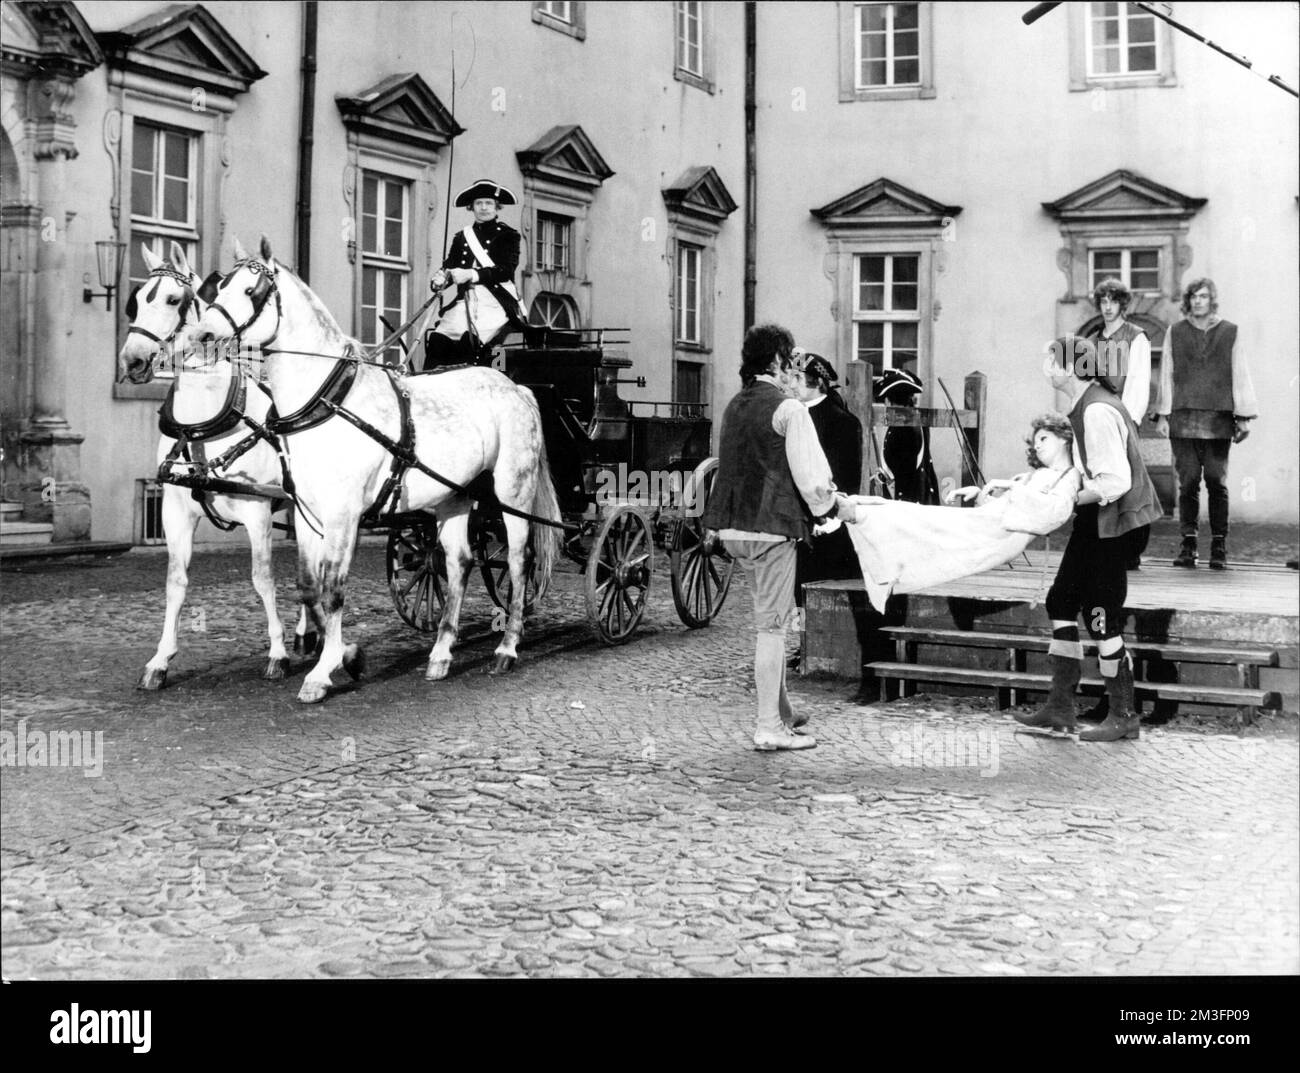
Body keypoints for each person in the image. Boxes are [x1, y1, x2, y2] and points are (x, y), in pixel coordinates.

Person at [702, 324, 863, 751]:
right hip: (772, 531)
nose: (792, 368)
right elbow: (812, 478)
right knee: (772, 629)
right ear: (776, 361)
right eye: (789, 360)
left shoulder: (734, 404)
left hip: (733, 529)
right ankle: (769, 727)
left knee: (766, 617)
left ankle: (784, 712)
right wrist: (834, 507)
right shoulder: (790, 410)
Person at [1015, 338, 1162, 742]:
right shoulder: (1084, 405)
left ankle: (1124, 715)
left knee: (1101, 617)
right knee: (1061, 601)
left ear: (1068, 368)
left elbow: (1115, 482)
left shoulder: (1096, 410)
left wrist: (1061, 502)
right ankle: (1061, 707)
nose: (1045, 366)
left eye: (1050, 360)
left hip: (1113, 524)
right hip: (1095, 520)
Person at [840, 414, 1081, 613]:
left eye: (1044, 438)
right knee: (922, 519)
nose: (1036, 445)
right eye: (1035, 440)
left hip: (1001, 537)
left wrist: (1014, 487)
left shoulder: (1068, 475)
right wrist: (979, 495)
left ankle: (856, 512)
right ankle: (858, 508)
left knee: (922, 522)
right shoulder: (1039, 475)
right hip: (991, 526)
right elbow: (1009, 506)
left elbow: (1055, 514)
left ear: (1063, 439)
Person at [1151, 278, 1258, 569]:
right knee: (1187, 484)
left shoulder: (1230, 332)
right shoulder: (1176, 332)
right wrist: (1163, 414)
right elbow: (1167, 372)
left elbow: (1240, 372)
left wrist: (1243, 416)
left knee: (1216, 481)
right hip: (1183, 419)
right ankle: (1188, 544)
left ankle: (1219, 546)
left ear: (1212, 300)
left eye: (1203, 296)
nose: (1198, 301)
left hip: (1218, 420)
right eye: (1194, 297)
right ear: (1188, 301)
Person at [415, 178, 526, 370]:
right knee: (438, 340)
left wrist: (470, 274)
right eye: (479, 203)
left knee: (469, 342)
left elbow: (505, 271)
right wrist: (440, 279)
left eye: (489, 203)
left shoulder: (509, 235)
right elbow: (450, 265)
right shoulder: (461, 237)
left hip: (495, 303)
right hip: (465, 301)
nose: (484, 207)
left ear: (496, 207)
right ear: (472, 207)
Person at [790, 353, 863, 644]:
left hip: (828, 521)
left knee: (828, 583)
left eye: (797, 378)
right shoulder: (794, 416)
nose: (791, 385)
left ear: (818, 382)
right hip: (798, 519)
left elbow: (847, 476)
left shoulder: (842, 422)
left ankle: (830, 644)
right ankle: (805, 644)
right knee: (798, 587)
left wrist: (827, 516)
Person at [1085, 277, 1152, 570]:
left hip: (1123, 420)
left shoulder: (1136, 337)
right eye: (1103, 301)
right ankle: (1104, 547)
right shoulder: (1093, 341)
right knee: (1101, 482)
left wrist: (1129, 420)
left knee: (1131, 485)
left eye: (1113, 301)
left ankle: (1132, 549)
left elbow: (1138, 382)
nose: (1108, 307)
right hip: (1097, 420)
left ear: (1123, 304)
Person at [873, 369, 940, 504]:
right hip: (914, 497)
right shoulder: (912, 421)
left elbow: (904, 472)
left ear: (887, 401)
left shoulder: (903, 427)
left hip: (908, 501)